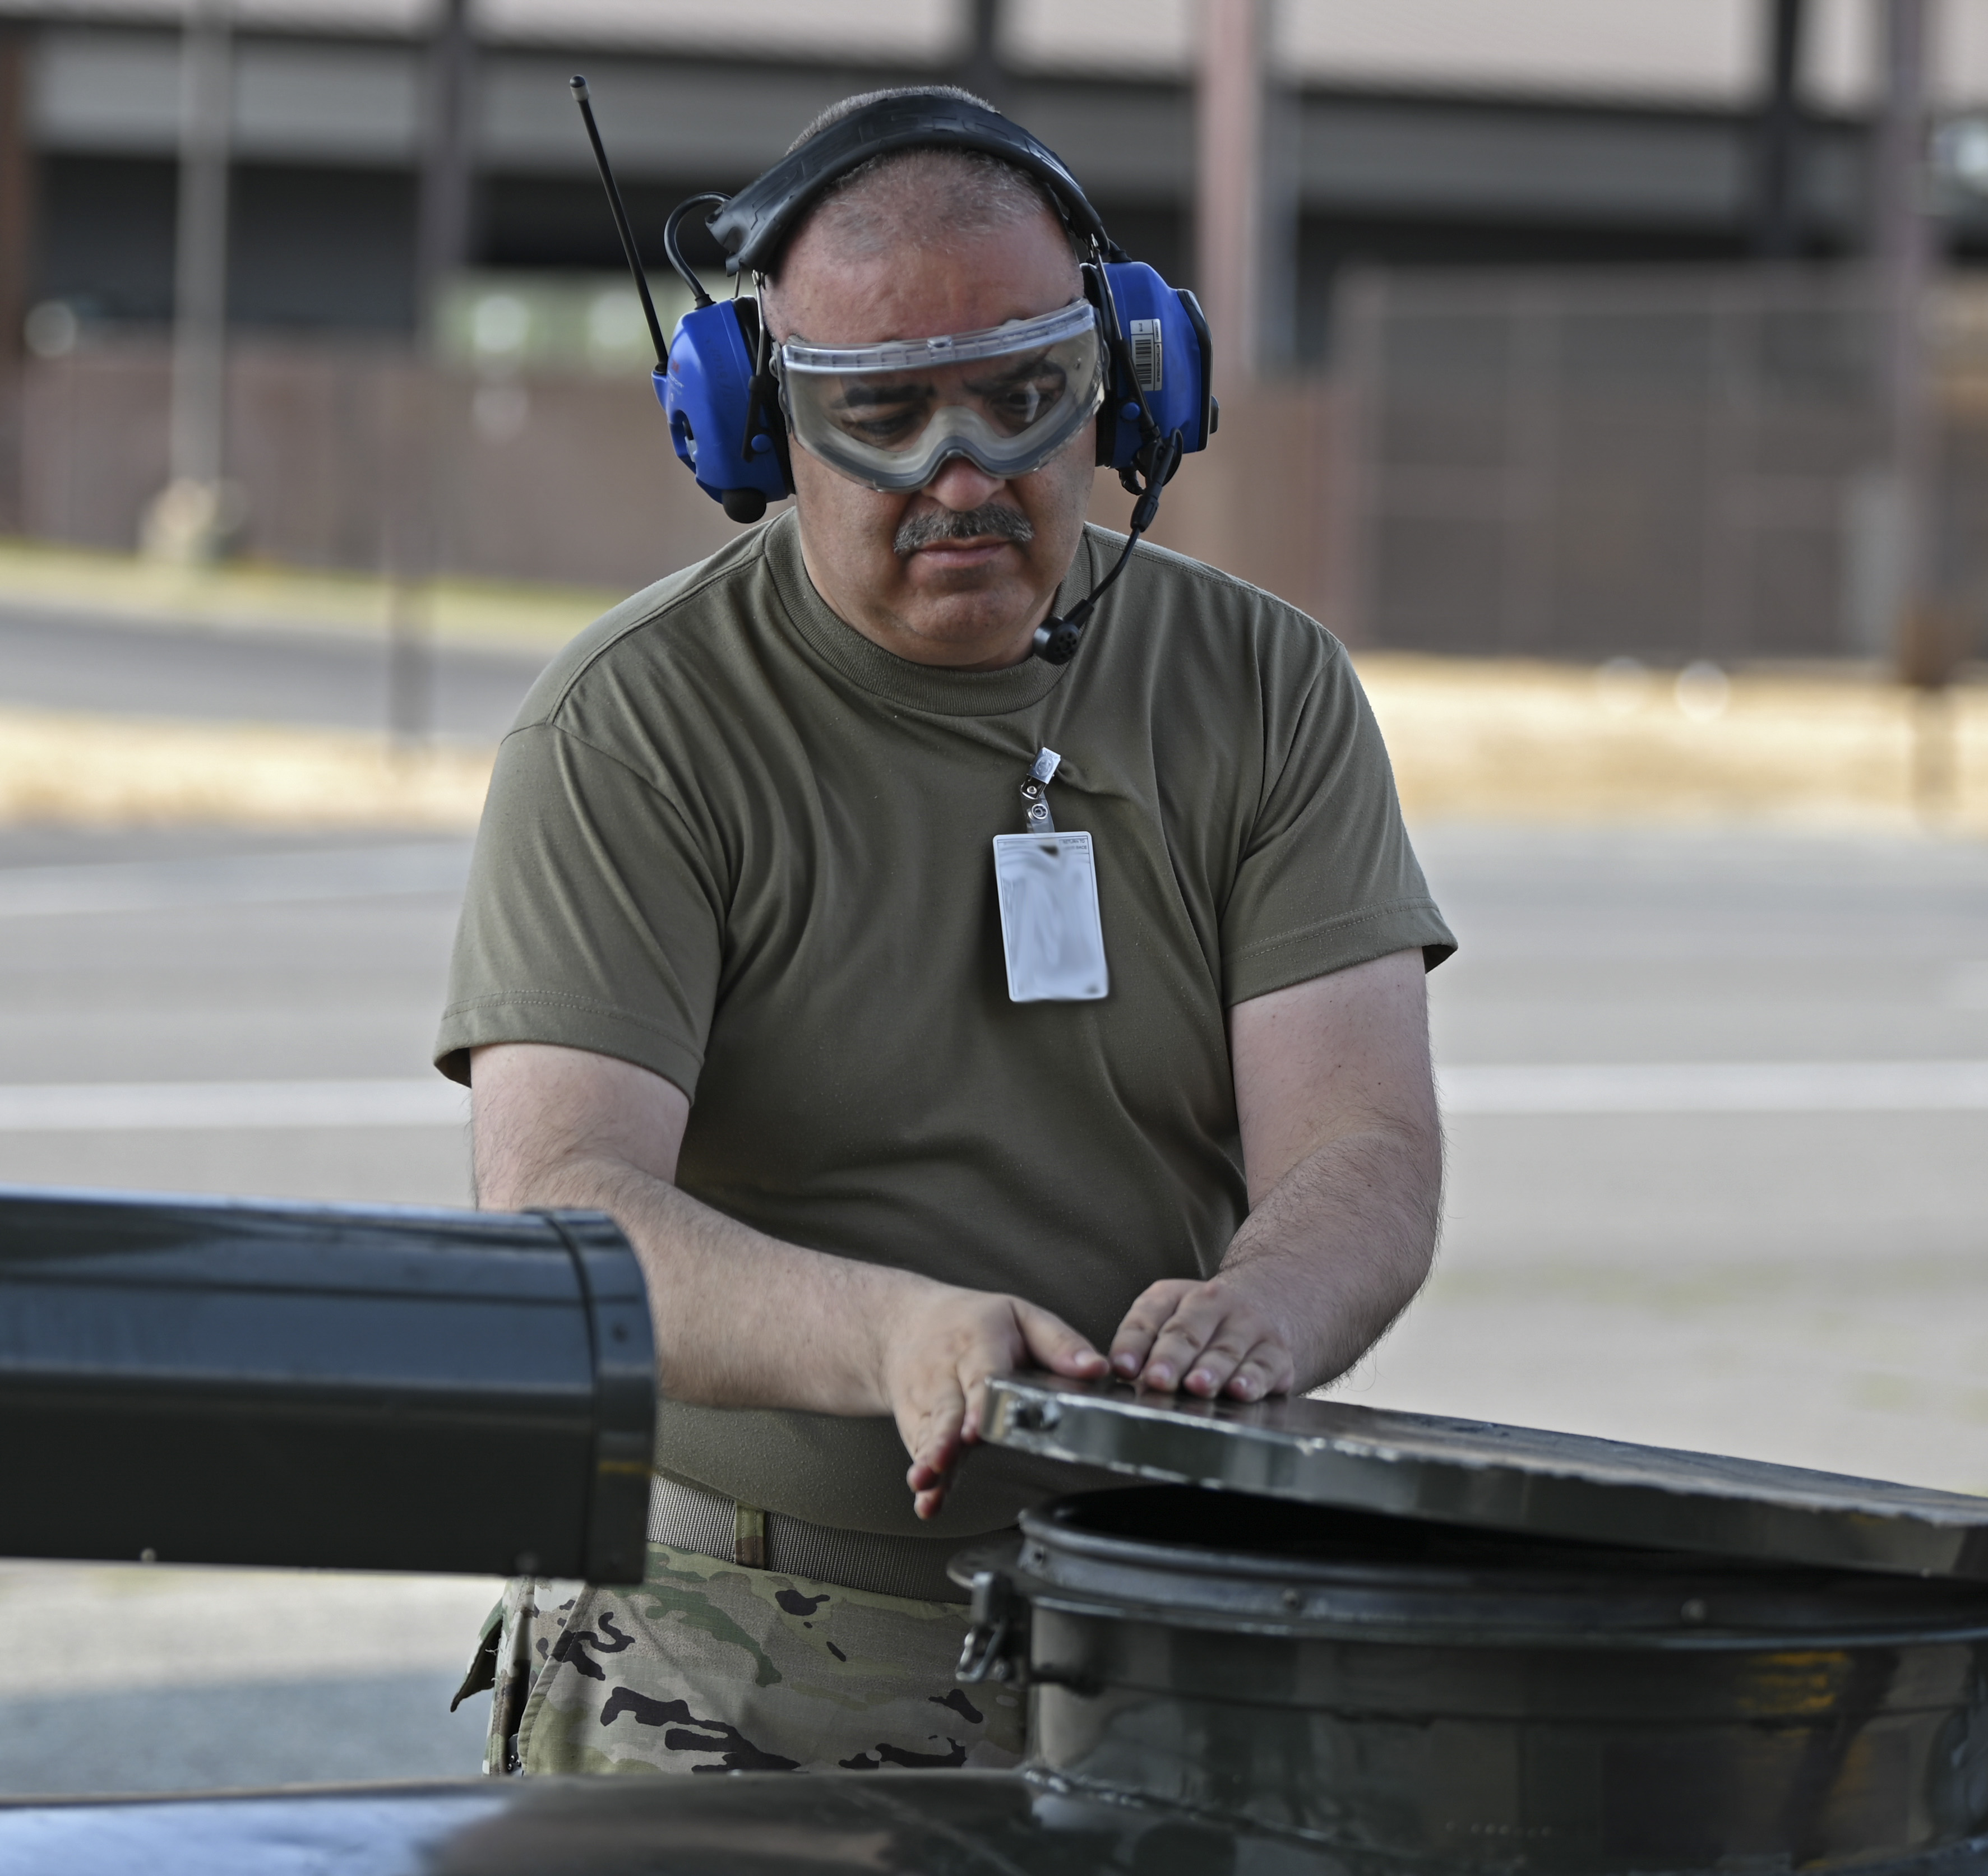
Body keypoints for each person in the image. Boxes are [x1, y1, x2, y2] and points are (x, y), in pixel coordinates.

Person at [436, 86, 1453, 1777]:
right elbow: (563, 1212)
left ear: (1131, 389)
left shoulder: (1266, 691)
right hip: (730, 1641)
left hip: (1163, 1629)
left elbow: (1363, 1134)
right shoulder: (631, 727)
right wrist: (894, 1337)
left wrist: (1266, 1303)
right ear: (756, 425)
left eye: (1022, 398)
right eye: (884, 414)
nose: (961, 473)